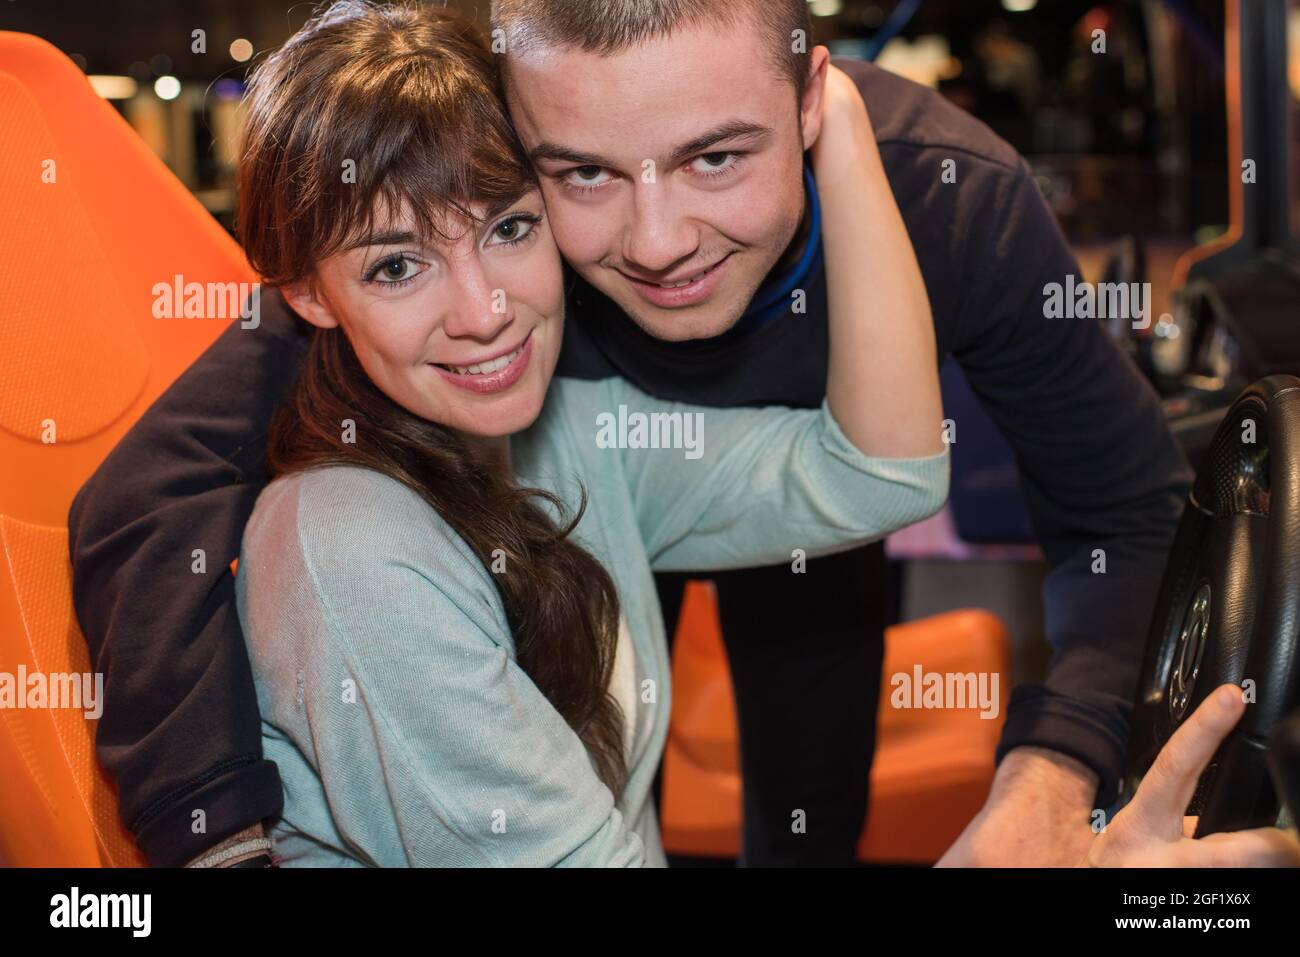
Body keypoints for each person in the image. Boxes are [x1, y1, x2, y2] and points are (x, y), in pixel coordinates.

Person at [66, 0, 1280, 867]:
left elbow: (1106, 507)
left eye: (716, 156)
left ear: (807, 102)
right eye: (579, 176)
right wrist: (216, 833)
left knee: (807, 801)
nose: (654, 242)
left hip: (677, 491)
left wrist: (1048, 773)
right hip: (502, 521)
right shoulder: (449, 217)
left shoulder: (947, 198)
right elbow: (148, 501)